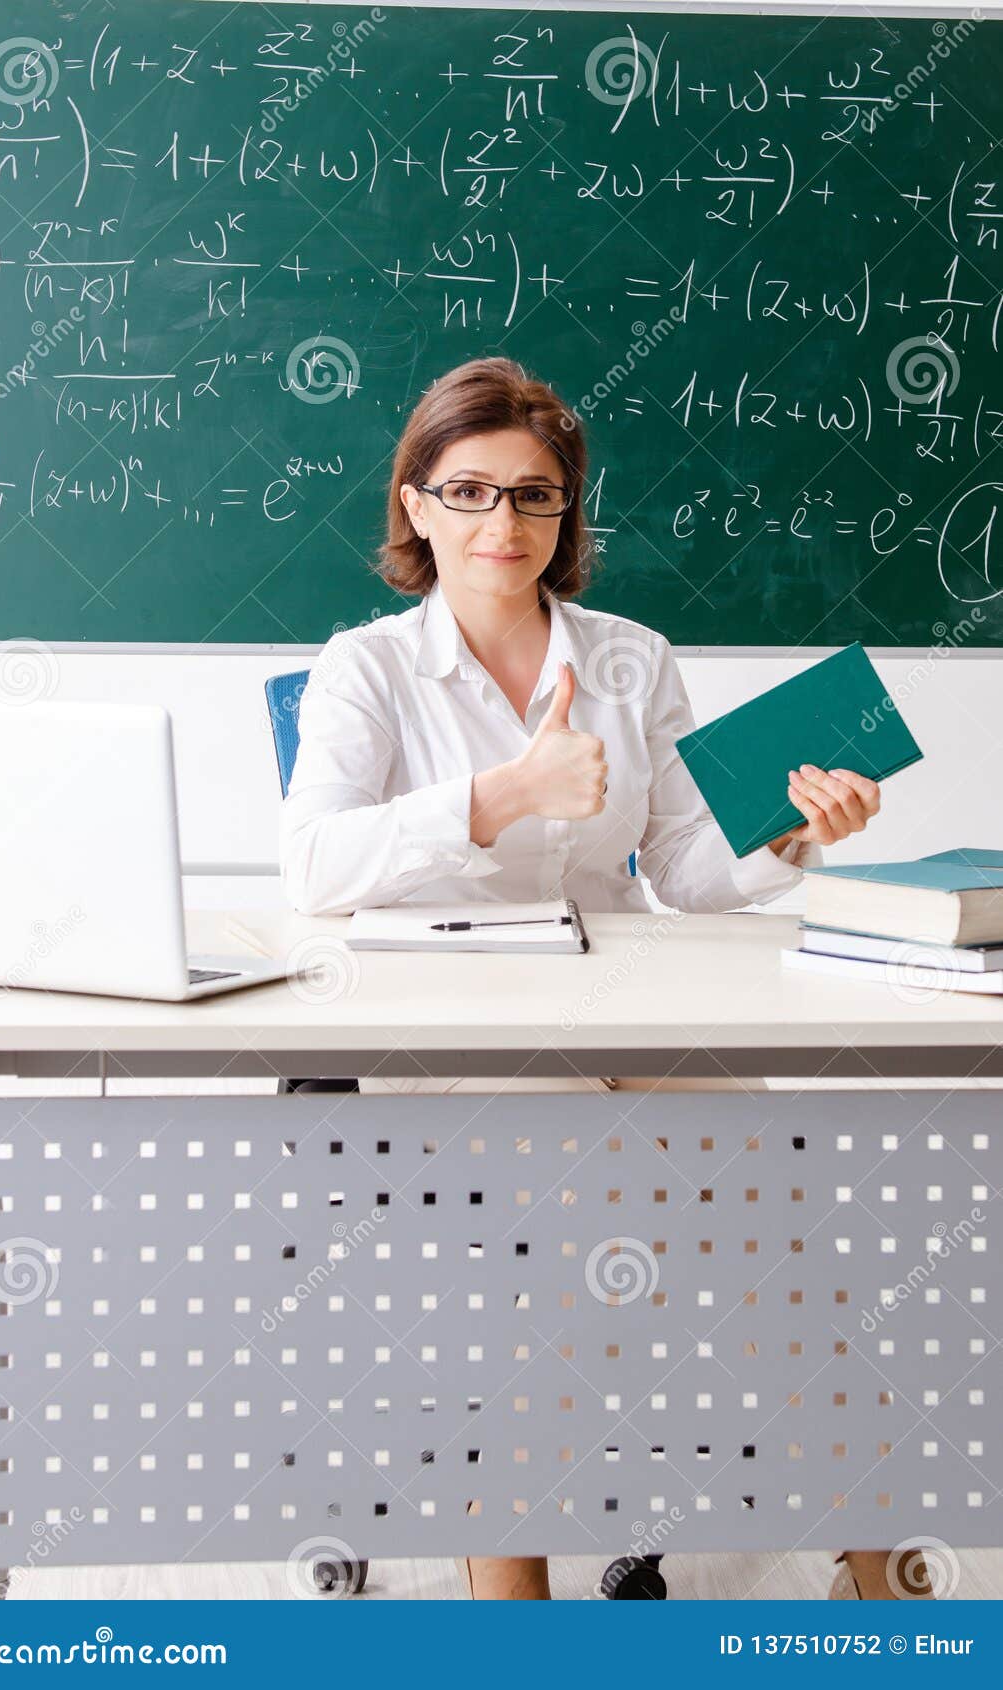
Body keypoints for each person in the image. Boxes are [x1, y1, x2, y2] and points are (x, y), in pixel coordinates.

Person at [280, 356, 932, 1604]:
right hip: (453, 1023)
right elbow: (314, 865)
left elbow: (684, 864)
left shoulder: (629, 658)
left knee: (780, 1235)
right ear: (414, 505)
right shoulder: (363, 667)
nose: (503, 525)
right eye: (468, 492)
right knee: (536, 1275)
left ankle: (887, 1593)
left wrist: (791, 833)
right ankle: (516, 1623)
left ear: (566, 515)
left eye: (535, 497)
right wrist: (506, 793)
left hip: (620, 994)